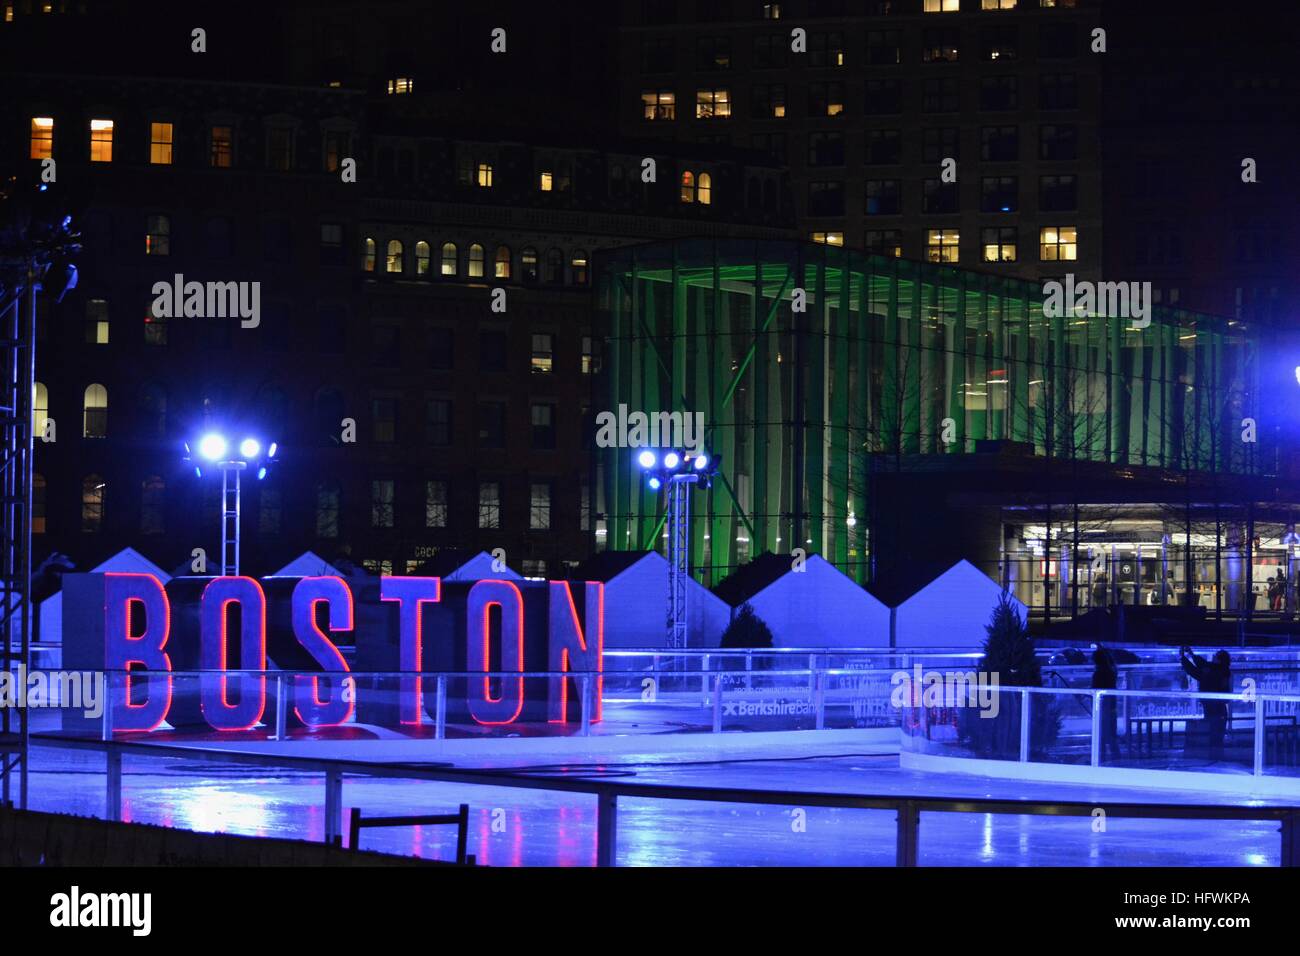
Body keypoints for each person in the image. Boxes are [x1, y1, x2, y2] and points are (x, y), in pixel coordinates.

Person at [1179, 646, 1232, 761]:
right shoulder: (1223, 670)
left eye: (1215, 657)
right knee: (1218, 734)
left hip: (1212, 707)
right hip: (1219, 707)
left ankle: (1214, 757)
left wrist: (1183, 658)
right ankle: (1218, 757)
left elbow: (1195, 671)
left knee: (1213, 733)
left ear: (1219, 659)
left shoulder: (1213, 671)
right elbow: (1203, 666)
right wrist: (1191, 655)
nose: (1212, 658)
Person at [1091, 645, 1122, 761]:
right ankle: (1115, 756)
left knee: (1101, 733)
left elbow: (1094, 689)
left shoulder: (1099, 673)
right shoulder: (1112, 670)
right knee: (1111, 732)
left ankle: (1101, 756)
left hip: (1102, 706)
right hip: (1111, 705)